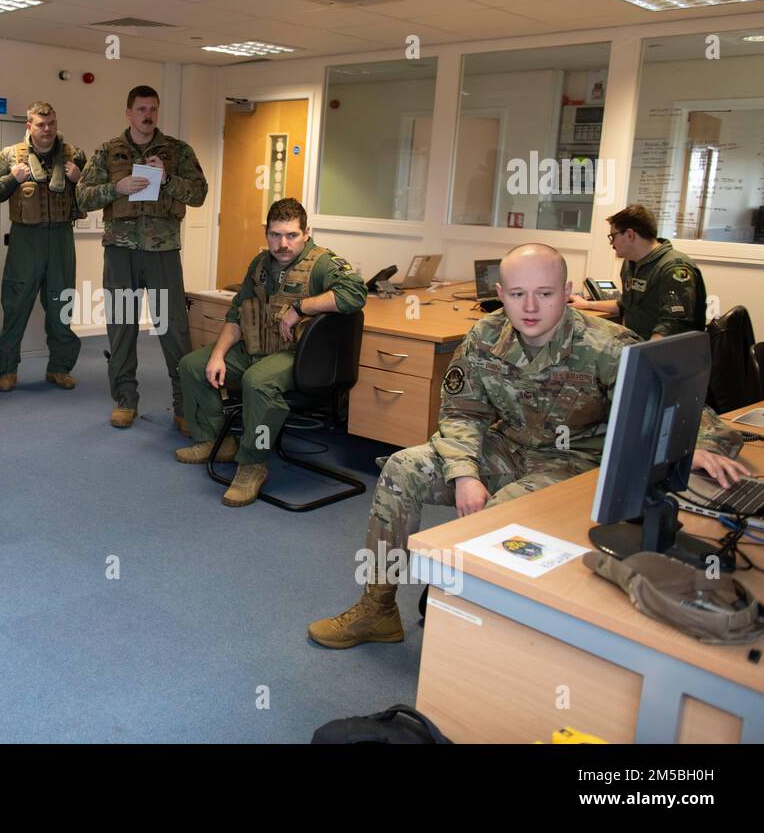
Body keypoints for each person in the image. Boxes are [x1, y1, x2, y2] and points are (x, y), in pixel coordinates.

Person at [306, 243, 749, 650]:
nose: (531, 307)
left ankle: (473, 633)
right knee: (403, 466)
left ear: (568, 291)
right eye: (517, 294)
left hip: (571, 463)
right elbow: (463, 413)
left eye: (545, 293)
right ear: (501, 292)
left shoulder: (606, 346)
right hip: (506, 446)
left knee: (503, 512)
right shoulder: (485, 336)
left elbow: (684, 406)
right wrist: (464, 473)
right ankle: (377, 608)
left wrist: (698, 446)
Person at [176, 198, 367, 506]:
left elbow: (356, 293)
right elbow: (238, 312)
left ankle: (252, 463)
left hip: (298, 356)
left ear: (306, 232)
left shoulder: (322, 264)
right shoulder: (261, 264)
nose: (282, 243)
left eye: (291, 235)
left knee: (258, 381)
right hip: (257, 347)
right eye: (275, 235)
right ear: (266, 233)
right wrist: (217, 355)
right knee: (193, 365)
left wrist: (300, 307)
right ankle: (216, 440)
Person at [76, 85, 207, 430]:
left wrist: (167, 178)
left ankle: (184, 404)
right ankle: (125, 400)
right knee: (122, 328)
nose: (148, 115)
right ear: (129, 113)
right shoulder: (108, 152)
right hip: (121, 251)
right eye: (141, 109)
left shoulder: (177, 151)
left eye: (153, 109)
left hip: (162, 251)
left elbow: (199, 194)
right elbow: (83, 197)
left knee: (173, 329)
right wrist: (114, 189)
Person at [0, 101, 86, 392]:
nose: (47, 129)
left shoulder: (73, 155)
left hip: (62, 238)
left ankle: (59, 368)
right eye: (41, 124)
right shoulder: (10, 155)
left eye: (51, 123)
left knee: (61, 306)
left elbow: (94, 195)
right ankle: (7, 370)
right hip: (25, 239)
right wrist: (11, 179)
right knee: (15, 305)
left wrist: (80, 180)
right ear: (29, 126)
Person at [569, 204, 706, 339]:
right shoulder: (631, 263)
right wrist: (587, 304)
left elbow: (673, 325)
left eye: (613, 236)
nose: (612, 244)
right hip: (638, 343)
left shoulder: (674, 268)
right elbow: (626, 305)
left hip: (665, 352)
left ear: (629, 235)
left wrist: (641, 355)